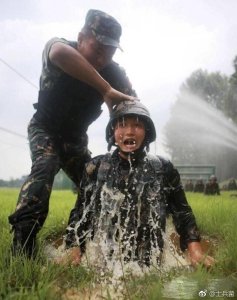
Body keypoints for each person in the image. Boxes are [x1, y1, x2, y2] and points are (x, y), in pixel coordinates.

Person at [8, 9, 136, 257]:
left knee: (96, 184)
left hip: (75, 140)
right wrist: (106, 90)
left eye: (108, 54)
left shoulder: (114, 72)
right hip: (45, 129)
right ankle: (23, 245)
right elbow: (58, 53)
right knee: (45, 166)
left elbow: (134, 103)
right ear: (80, 37)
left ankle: (87, 237)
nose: (101, 60)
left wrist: (130, 131)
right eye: (97, 50)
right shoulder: (60, 48)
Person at [63, 101, 214, 268]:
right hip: (105, 260)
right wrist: (73, 248)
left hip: (151, 261)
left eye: (137, 125)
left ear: (147, 132)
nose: (129, 131)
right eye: (122, 125)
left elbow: (182, 212)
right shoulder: (96, 168)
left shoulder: (163, 168)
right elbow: (81, 213)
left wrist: (195, 250)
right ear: (113, 131)